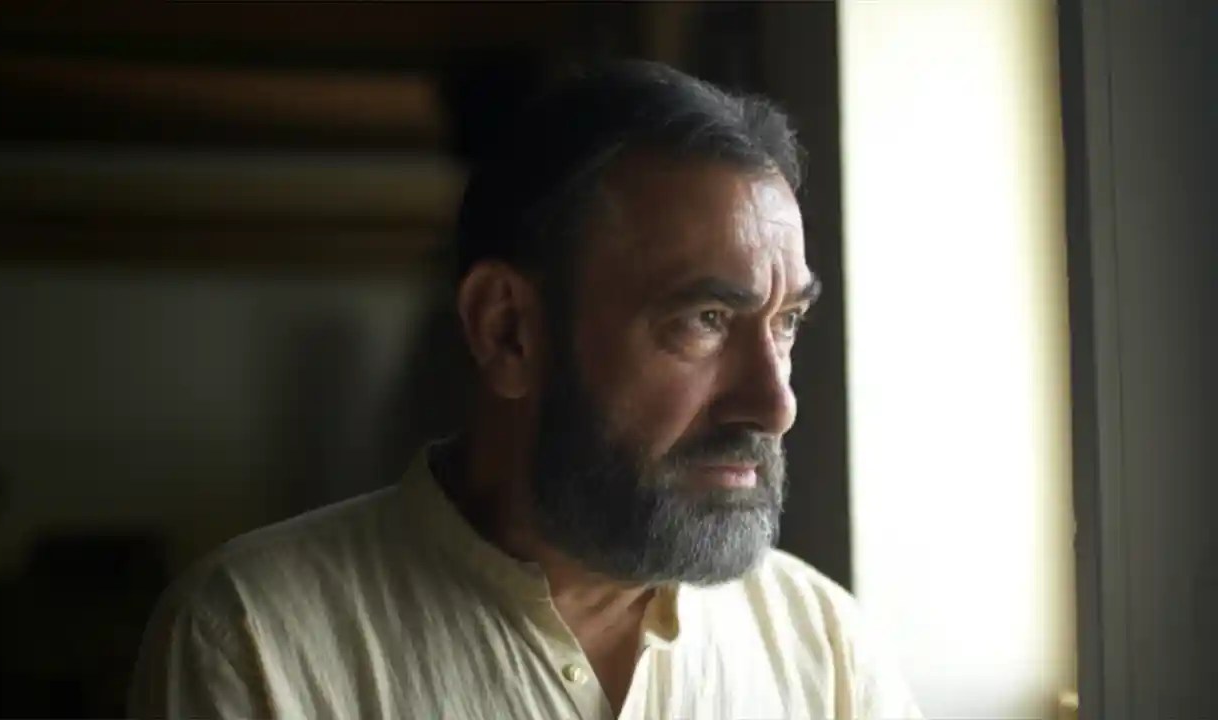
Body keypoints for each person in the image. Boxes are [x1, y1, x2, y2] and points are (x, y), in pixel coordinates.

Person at [128, 60, 922, 720]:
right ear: (509, 330)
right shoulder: (256, 643)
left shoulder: (822, 647)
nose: (775, 402)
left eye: (785, 323)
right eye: (706, 319)